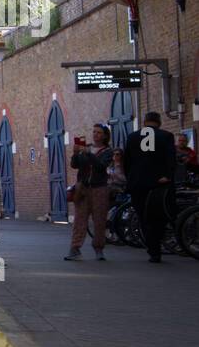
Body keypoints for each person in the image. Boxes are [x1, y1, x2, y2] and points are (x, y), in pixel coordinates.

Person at [123, 111, 177, 263]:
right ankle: (157, 246)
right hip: (159, 184)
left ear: (145, 121)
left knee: (143, 217)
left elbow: (127, 162)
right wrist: (167, 175)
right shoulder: (166, 136)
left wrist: (131, 178)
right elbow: (171, 159)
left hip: (138, 184)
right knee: (160, 216)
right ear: (159, 122)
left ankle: (153, 250)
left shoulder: (132, 137)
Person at [65, 124, 113, 261]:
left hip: (99, 188)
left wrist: (88, 154)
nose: (95, 134)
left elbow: (101, 166)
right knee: (80, 219)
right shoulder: (86, 148)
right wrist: (75, 153)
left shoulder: (108, 151)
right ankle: (75, 249)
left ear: (104, 135)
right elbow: (75, 165)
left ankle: (99, 248)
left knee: (99, 220)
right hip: (83, 188)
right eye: (94, 132)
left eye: (98, 132)